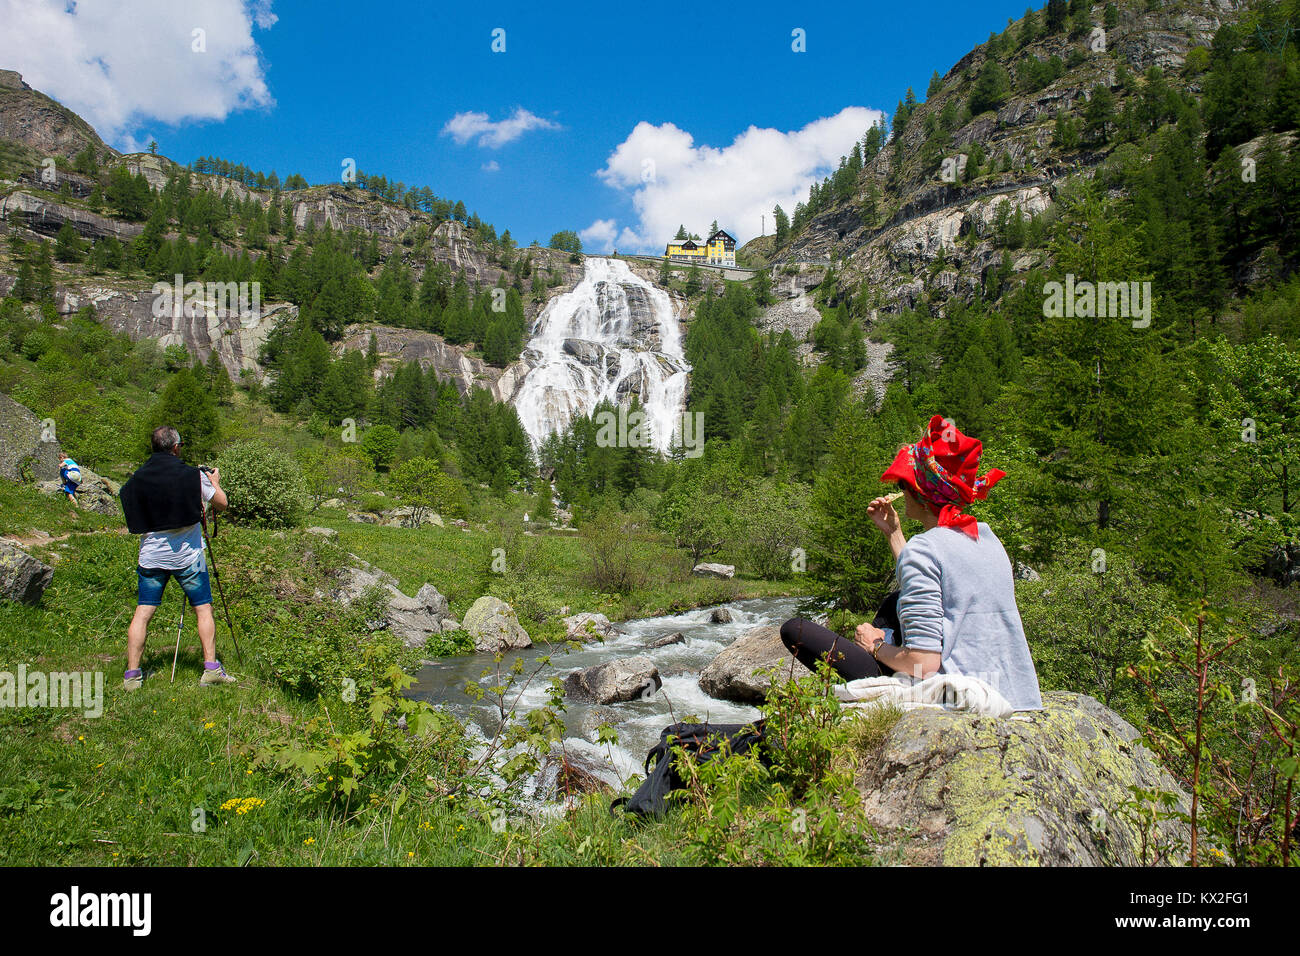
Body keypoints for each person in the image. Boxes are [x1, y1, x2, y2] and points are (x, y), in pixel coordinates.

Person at [780, 414, 1043, 711]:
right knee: (895, 600)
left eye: (905, 485)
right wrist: (894, 533)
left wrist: (875, 646)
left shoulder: (924, 550)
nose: (902, 491)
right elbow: (939, 574)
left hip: (958, 697)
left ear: (921, 493)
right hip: (1014, 693)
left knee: (795, 629)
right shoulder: (986, 538)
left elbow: (923, 664)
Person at [118, 426, 237, 691]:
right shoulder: (193, 476)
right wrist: (215, 482)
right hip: (188, 556)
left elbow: (126, 497)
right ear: (175, 447)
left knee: (144, 612)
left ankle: (132, 675)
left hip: (151, 554)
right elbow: (222, 503)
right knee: (203, 608)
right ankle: (211, 669)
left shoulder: (139, 477)